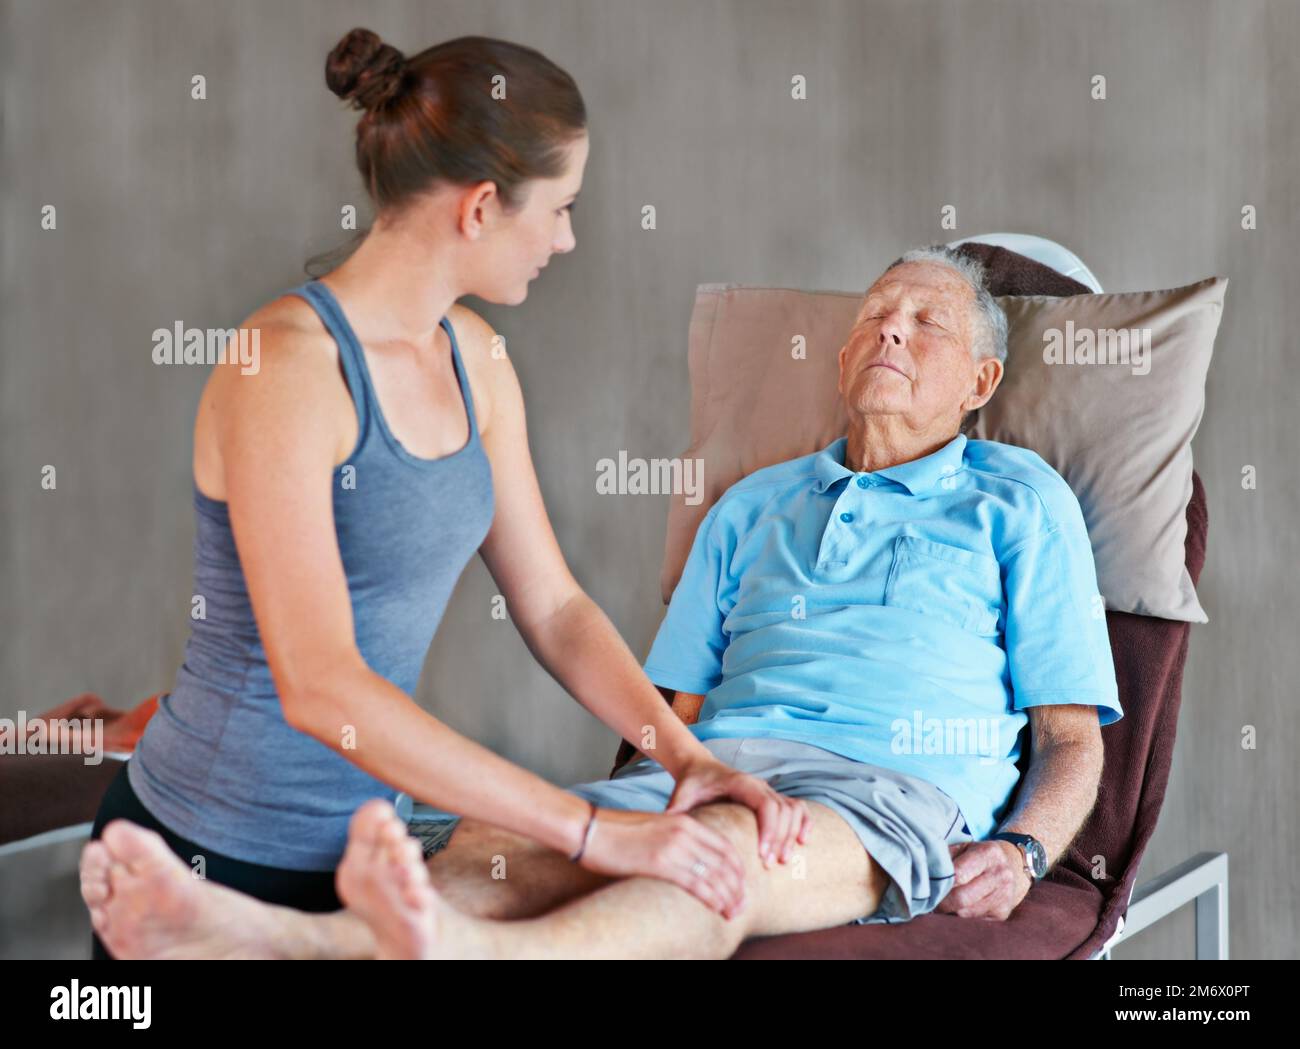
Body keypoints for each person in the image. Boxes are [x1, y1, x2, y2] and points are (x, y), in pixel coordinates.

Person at [82, 246, 1122, 959]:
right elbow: (660, 713)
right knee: (488, 861)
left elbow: (1070, 737)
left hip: (877, 797)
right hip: (709, 769)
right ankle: (287, 934)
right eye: (874, 317)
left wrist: (1025, 849)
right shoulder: (750, 504)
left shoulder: (1017, 499)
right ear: (842, 358)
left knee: (711, 878)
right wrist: (606, 817)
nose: (891, 332)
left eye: (925, 322)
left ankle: (319, 943)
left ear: (980, 378)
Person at [85, 29, 808, 960]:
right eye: (559, 209)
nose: (567, 238)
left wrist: (687, 756)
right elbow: (318, 684)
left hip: (363, 851)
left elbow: (552, 606)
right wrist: (587, 827)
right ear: (478, 208)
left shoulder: (476, 357)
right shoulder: (288, 371)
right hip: (208, 851)